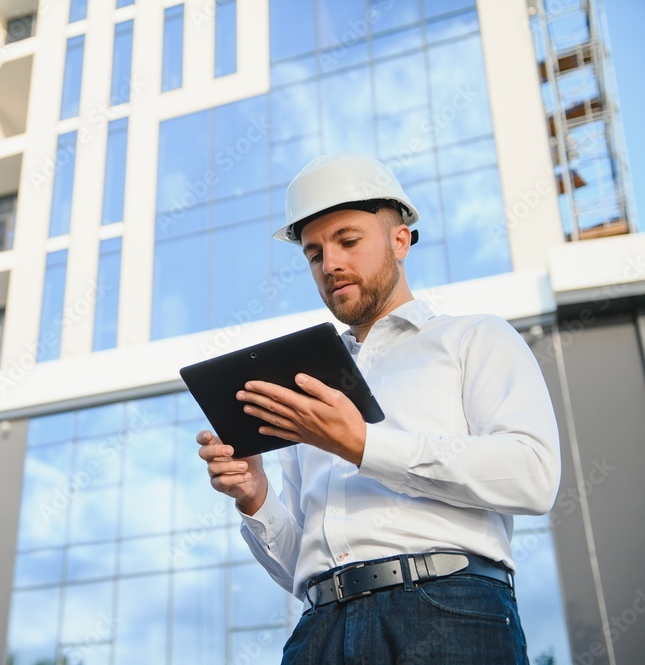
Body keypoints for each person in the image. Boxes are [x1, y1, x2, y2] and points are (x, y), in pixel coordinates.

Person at [197, 152, 560, 664]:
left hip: (448, 611)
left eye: (348, 241)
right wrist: (256, 498)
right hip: (320, 627)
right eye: (313, 253)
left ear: (400, 240)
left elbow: (534, 477)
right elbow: (302, 565)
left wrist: (363, 445)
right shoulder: (307, 389)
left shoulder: (474, 338)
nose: (331, 265)